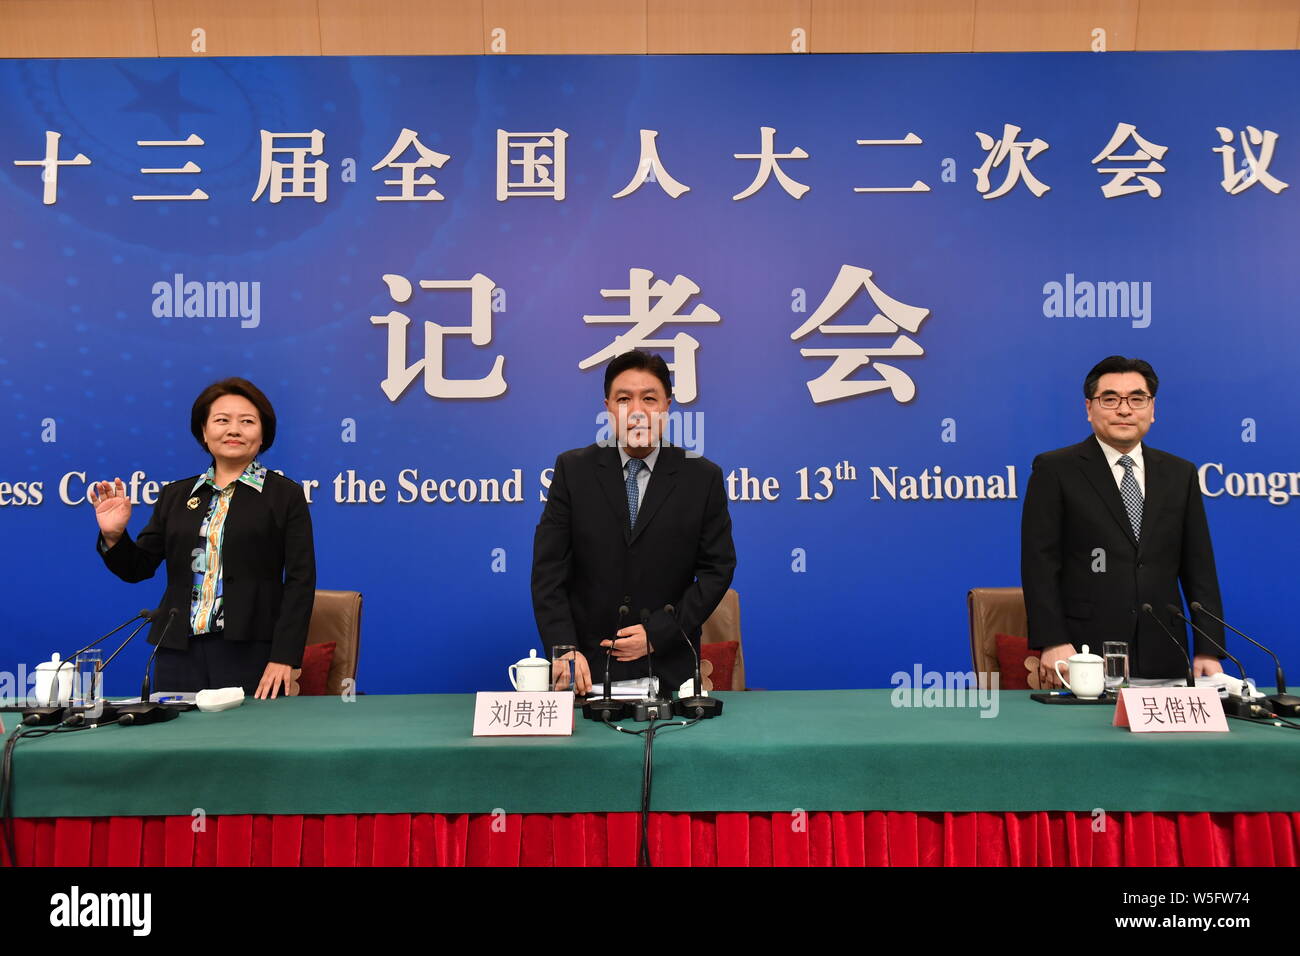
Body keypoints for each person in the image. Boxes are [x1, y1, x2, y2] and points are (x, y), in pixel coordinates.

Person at [89, 378, 316, 699]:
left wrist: (285, 656)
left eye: (247, 422)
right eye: (222, 421)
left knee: (246, 745)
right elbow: (137, 568)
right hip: (177, 651)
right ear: (203, 432)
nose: (234, 430)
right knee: (176, 746)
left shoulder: (284, 495)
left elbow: (300, 581)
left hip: (251, 650)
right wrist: (114, 535)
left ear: (263, 434)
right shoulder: (176, 495)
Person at [531, 350, 736, 696]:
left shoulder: (702, 477)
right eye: (624, 399)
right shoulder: (574, 471)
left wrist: (660, 633)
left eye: (650, 398)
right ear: (608, 407)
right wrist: (564, 647)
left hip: (670, 670)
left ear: (667, 406)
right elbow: (548, 570)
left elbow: (718, 568)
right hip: (588, 668)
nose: (637, 410)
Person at [1021, 356, 1225, 687]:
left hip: (1165, 651)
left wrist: (1209, 649)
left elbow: (1198, 566)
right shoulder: (1056, 469)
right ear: (1089, 408)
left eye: (1136, 399)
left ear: (1152, 408)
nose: (1124, 409)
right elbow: (1040, 563)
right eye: (1111, 399)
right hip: (1083, 655)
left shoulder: (1179, 473)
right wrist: (1052, 641)